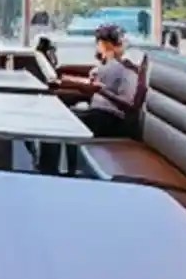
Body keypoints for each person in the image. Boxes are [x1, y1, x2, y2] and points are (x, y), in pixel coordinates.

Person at [37, 25, 140, 173]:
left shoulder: (123, 67)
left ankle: (50, 171)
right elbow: (97, 80)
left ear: (105, 44)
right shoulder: (111, 64)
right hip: (100, 114)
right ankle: (56, 169)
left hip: (110, 119)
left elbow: (127, 103)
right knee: (60, 118)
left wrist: (99, 91)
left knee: (61, 122)